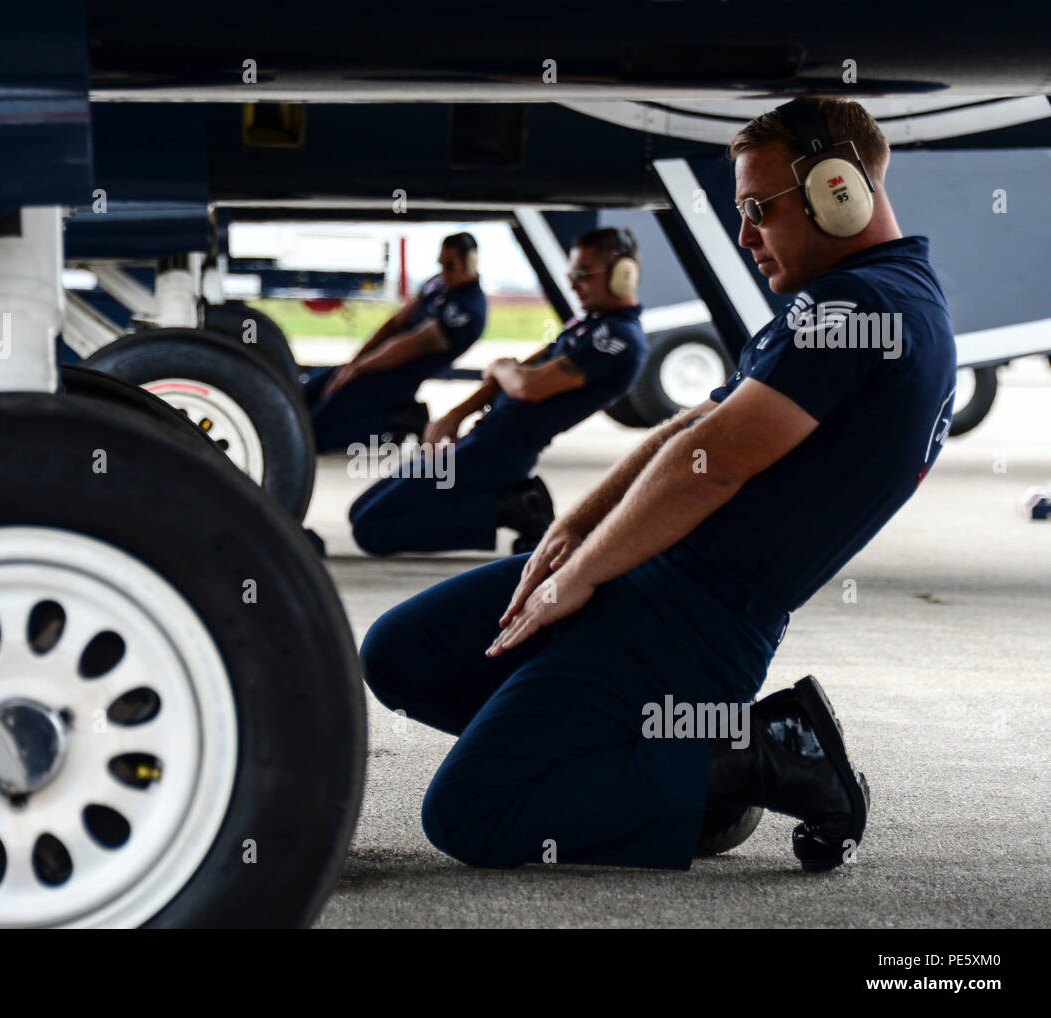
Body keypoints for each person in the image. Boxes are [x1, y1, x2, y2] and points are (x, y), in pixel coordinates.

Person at [360, 97, 957, 873]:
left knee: (472, 815)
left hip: (690, 621)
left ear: (836, 192)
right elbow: (691, 427)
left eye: (759, 209)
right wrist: (573, 530)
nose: (745, 235)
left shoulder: (860, 305)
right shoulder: (864, 296)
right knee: (400, 654)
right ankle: (666, 774)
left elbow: (714, 460)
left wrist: (579, 575)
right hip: (643, 566)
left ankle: (748, 758)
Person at [349, 227, 648, 555]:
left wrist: (501, 369)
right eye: (572, 275)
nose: (574, 285)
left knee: (372, 530)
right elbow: (514, 374)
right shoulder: (588, 325)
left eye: (583, 274)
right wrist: (453, 416)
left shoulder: (618, 340)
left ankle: (513, 508)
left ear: (623, 275)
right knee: (359, 511)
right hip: (480, 438)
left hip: (499, 455)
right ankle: (505, 503)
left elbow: (527, 385)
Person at [300, 233, 487, 451]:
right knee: (306, 394)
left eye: (450, 266)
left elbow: (410, 345)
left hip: (396, 379)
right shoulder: (437, 284)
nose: (444, 272)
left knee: (313, 434)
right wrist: (353, 363)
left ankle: (399, 420)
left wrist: (358, 367)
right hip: (376, 363)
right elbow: (396, 322)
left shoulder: (467, 310)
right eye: (441, 264)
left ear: (469, 264)